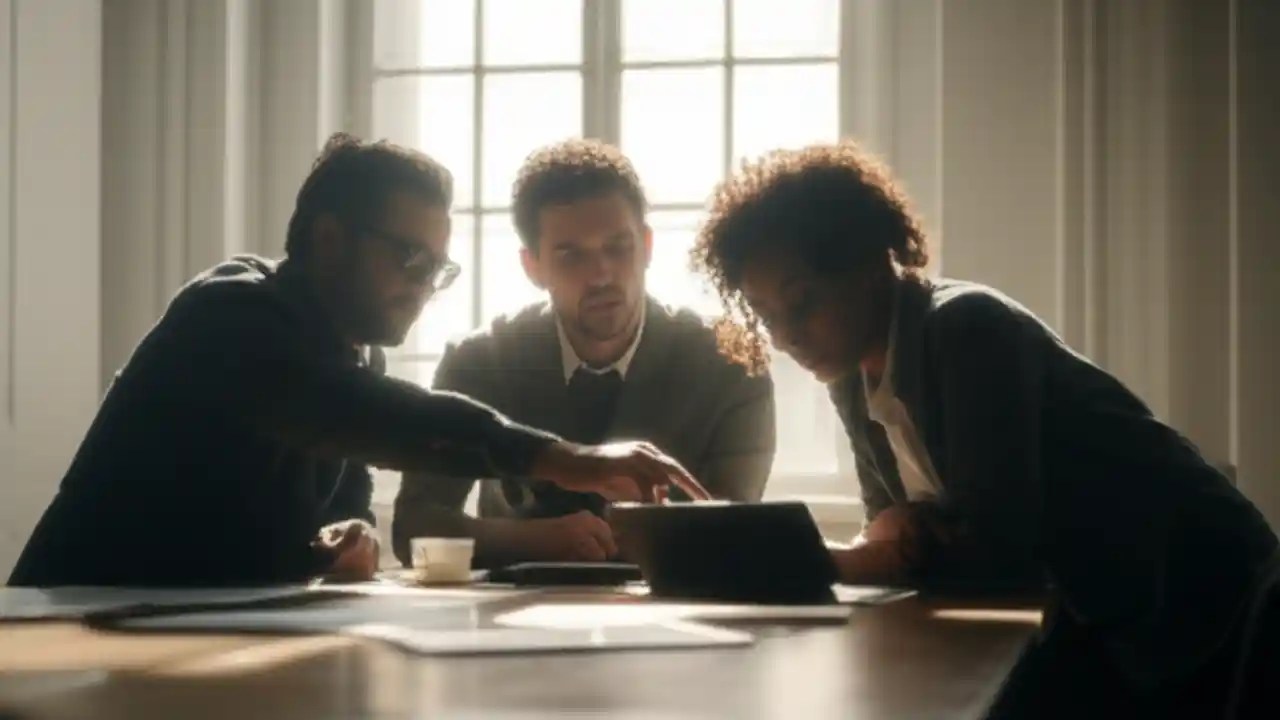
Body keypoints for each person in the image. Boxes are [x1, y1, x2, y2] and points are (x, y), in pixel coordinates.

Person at [689, 142, 1279, 716]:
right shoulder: (850, 376)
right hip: (1103, 614)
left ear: (868, 264)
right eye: (765, 315)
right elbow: (896, 528)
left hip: (1203, 595)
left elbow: (997, 551)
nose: (786, 335)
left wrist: (848, 559)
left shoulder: (967, 328)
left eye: (803, 303)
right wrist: (902, 539)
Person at [8, 134, 706, 589]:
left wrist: (354, 539)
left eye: (437, 268)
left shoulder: (354, 358)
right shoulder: (230, 312)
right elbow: (367, 417)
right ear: (330, 239)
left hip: (182, 642)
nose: (424, 286)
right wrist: (567, 458)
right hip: (60, 638)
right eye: (408, 257)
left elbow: (348, 497)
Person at [393, 139, 775, 568]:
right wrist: (536, 541)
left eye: (618, 247)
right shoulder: (481, 359)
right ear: (532, 266)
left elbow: (734, 531)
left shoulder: (731, 362)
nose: (601, 275)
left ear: (647, 246)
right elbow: (412, 528)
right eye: (571, 255)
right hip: (513, 617)